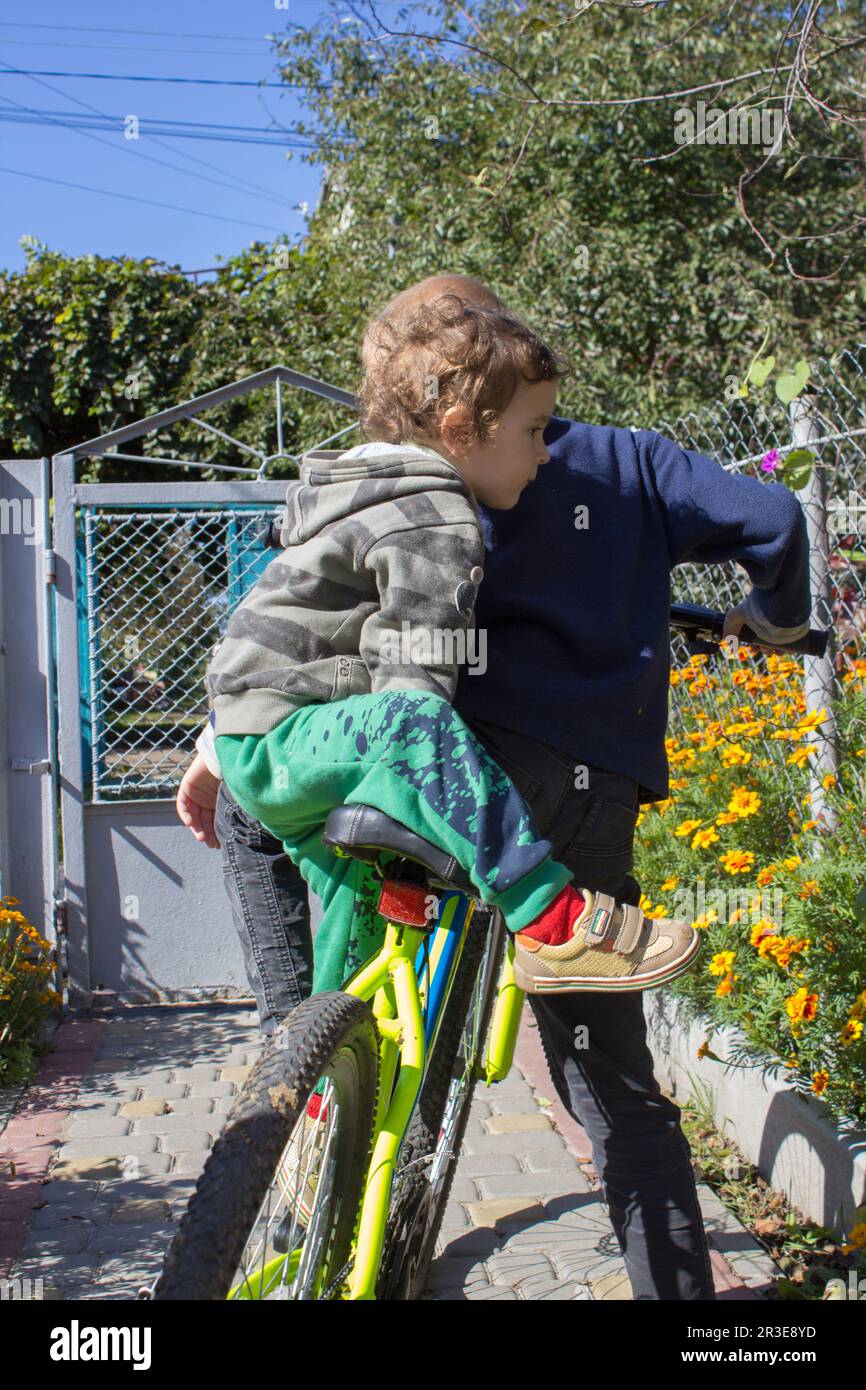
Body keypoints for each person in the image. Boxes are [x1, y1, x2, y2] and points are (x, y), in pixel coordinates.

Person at [177, 273, 811, 1300]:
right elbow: (773, 517)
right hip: (585, 792)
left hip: (455, 776)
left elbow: (325, 623)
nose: (542, 442)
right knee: (606, 1072)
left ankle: (300, 1066)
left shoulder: (411, 469)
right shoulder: (621, 457)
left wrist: (221, 734)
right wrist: (769, 617)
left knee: (281, 845)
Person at [196, 284, 702, 998]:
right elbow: (416, 660)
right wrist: (455, 781)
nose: (547, 454)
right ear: (462, 428)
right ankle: (553, 920)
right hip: (289, 734)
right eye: (535, 430)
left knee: (359, 918)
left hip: (267, 740)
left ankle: (330, 1069)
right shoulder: (433, 508)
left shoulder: (368, 482)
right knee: (420, 725)